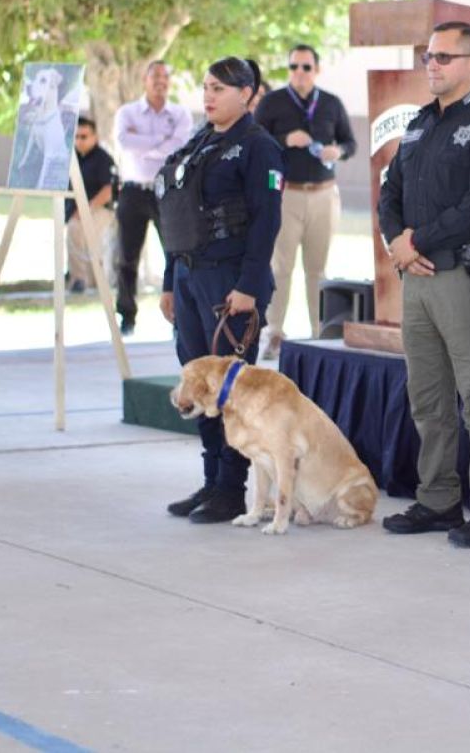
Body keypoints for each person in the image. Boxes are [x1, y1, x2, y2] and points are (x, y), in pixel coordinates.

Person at [377, 21, 470, 548]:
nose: (432, 65)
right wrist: (397, 240)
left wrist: (419, 241)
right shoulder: (417, 126)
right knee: (428, 395)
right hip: (418, 279)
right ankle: (437, 499)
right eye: (428, 57)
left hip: (467, 277)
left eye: (443, 57)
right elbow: (389, 191)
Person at [161, 57, 283, 524]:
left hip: (230, 282)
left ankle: (232, 489)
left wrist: (249, 287)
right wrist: (172, 281)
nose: (209, 96)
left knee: (231, 389)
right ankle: (211, 480)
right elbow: (178, 212)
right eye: (206, 87)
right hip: (191, 276)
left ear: (247, 93)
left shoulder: (258, 148)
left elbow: (267, 222)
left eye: (219, 89)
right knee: (198, 385)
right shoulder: (201, 140)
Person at [254, 44, 356, 356]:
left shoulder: (330, 103)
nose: (299, 72)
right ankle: (273, 334)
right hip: (286, 194)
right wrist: (285, 140)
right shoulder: (272, 103)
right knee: (280, 268)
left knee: (317, 269)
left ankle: (320, 333)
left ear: (317, 70)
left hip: (323, 195)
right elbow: (254, 142)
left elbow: (350, 142)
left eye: (306, 67)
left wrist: (337, 152)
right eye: (294, 66)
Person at [113, 60, 193, 335]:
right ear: (144, 80)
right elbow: (124, 142)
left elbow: (179, 148)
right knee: (126, 255)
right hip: (134, 190)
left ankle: (178, 316)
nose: (160, 81)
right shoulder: (127, 112)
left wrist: (145, 143)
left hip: (167, 190)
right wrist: (160, 140)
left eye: (165, 76)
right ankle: (126, 315)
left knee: (174, 253)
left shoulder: (180, 114)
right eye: (155, 76)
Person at [65, 117, 118, 292]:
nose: (79, 140)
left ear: (94, 137)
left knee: (77, 230)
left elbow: (109, 190)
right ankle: (91, 281)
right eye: (77, 136)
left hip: (101, 209)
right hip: (76, 210)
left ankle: (79, 279)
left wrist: (86, 209)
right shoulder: (73, 158)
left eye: (84, 136)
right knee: (82, 238)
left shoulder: (102, 158)